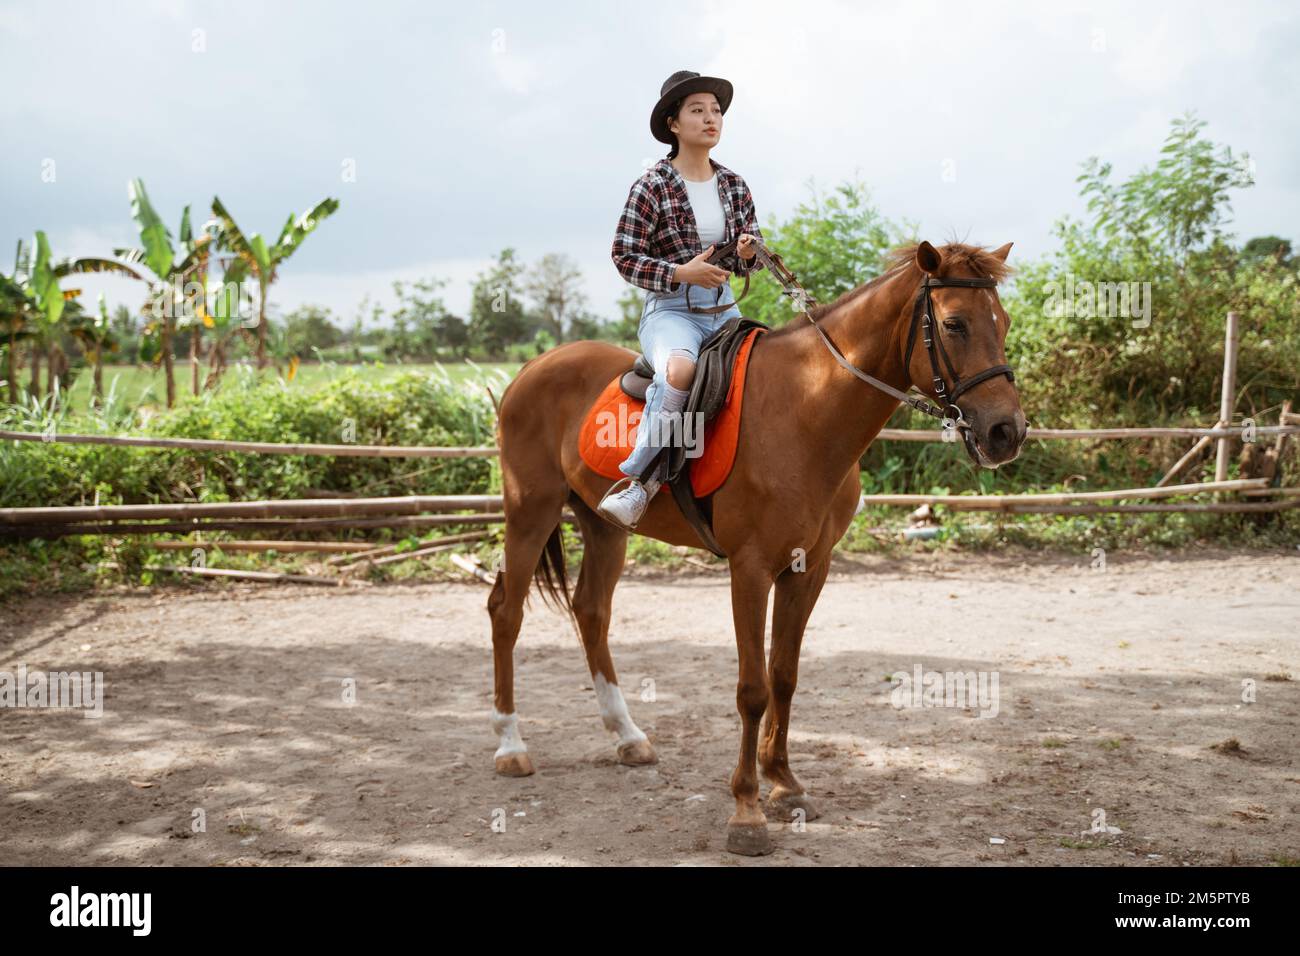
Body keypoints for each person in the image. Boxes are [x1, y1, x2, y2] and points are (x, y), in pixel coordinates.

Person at [598, 69, 766, 529]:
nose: (710, 118)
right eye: (697, 110)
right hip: (670, 311)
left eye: (716, 111)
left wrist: (748, 254)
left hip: (724, 306)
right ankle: (640, 484)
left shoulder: (734, 185)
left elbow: (747, 261)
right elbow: (623, 255)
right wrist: (678, 272)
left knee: (773, 370)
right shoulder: (651, 185)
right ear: (673, 123)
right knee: (681, 370)